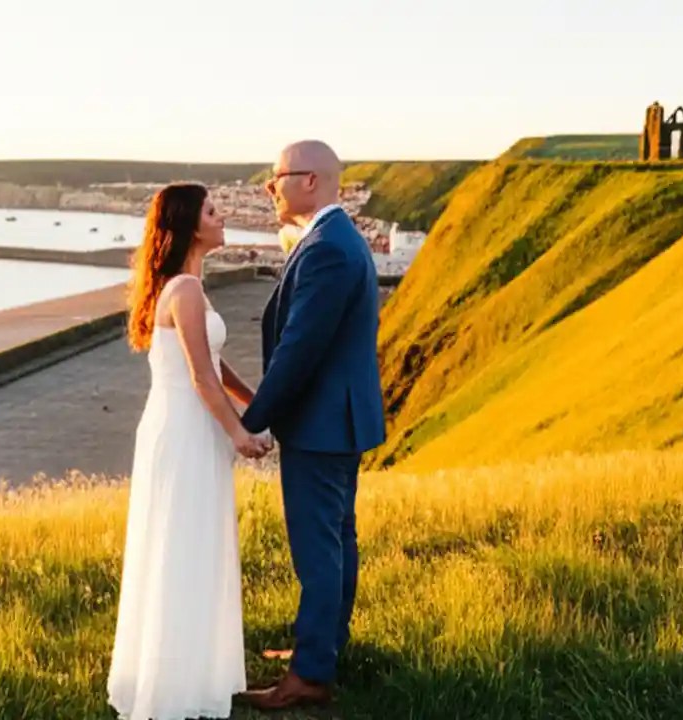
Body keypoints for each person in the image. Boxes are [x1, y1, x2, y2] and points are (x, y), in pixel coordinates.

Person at [106, 183, 271, 720]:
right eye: (212, 211)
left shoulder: (182, 287)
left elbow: (213, 366)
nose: (223, 218)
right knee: (184, 546)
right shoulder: (187, 291)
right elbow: (201, 377)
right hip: (184, 429)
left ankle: (184, 673)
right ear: (188, 224)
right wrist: (239, 434)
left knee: (185, 545)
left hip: (176, 427)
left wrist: (257, 403)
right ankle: (173, 687)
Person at [240, 140, 387, 710]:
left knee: (318, 548)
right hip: (340, 418)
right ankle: (322, 649)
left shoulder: (326, 248)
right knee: (337, 541)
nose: (269, 191)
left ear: (308, 182)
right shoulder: (337, 240)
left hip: (322, 423)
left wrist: (252, 421)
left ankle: (310, 675)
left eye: (273, 180)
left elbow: (299, 348)